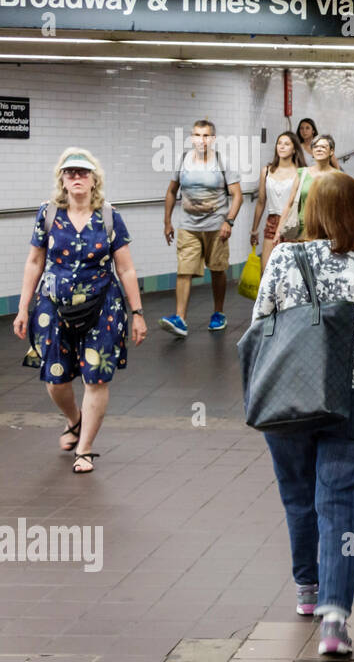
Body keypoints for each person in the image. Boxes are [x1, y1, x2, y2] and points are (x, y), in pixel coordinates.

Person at [252, 172, 354, 656]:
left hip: (290, 400)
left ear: (311, 211)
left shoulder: (283, 256)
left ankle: (307, 589)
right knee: (339, 504)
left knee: (298, 497)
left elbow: (261, 322)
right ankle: (334, 620)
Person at [12, 149, 148, 474]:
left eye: (83, 172)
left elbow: (126, 269)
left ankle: (84, 449)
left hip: (103, 306)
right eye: (70, 172)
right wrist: (22, 307)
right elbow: (35, 261)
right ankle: (74, 419)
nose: (76, 177)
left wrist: (138, 311)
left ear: (93, 179)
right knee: (55, 378)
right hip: (53, 306)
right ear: (62, 178)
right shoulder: (47, 214)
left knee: (96, 377)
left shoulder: (110, 215)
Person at [160, 119, 243, 337]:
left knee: (217, 269)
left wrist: (229, 221)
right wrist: (167, 221)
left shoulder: (222, 161)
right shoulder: (183, 159)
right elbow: (171, 191)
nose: (201, 140)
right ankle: (180, 319)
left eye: (206, 136)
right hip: (188, 225)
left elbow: (237, 196)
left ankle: (218, 313)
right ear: (191, 137)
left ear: (213, 138)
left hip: (216, 225)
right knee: (184, 270)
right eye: (197, 135)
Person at [248, 131, 307, 269]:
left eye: (287, 144)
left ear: (294, 149)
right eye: (279, 143)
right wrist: (254, 230)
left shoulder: (301, 172)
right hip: (272, 222)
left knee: (291, 271)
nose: (282, 146)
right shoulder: (267, 171)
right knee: (267, 271)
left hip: (293, 223)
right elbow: (261, 202)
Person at [290, 133, 345, 226]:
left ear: (331, 151)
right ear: (312, 151)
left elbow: (344, 207)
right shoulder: (302, 173)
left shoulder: (339, 176)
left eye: (323, 147)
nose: (319, 149)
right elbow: (290, 203)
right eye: (315, 147)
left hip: (329, 228)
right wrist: (279, 231)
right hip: (304, 228)